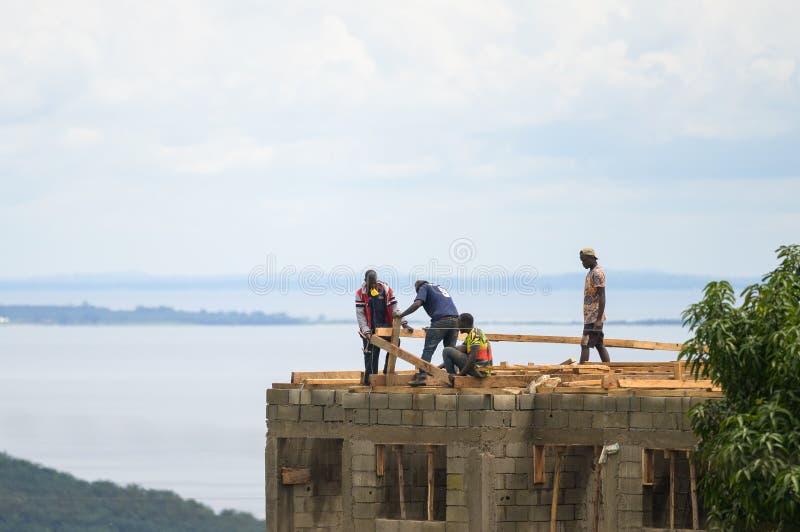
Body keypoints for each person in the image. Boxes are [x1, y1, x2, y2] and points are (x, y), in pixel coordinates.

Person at [394, 280, 459, 386]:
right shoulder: (438, 287)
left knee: (428, 349)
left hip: (440, 321)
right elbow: (444, 308)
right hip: (456, 320)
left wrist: (401, 315)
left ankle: (422, 377)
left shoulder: (423, 287)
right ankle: (453, 379)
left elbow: (417, 304)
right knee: (451, 351)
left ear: (417, 289)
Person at [355, 270, 398, 385]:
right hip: (369, 329)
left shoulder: (385, 290)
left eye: (374, 283)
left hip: (384, 327)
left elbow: (395, 308)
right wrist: (367, 332)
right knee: (372, 355)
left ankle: (386, 370)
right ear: (365, 281)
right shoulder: (360, 293)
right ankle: (369, 381)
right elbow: (360, 316)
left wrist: (403, 322)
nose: (373, 286)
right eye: (370, 283)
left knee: (396, 343)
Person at [442, 313, 493, 386]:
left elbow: (473, 357)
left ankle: (452, 381)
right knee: (453, 349)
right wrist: (438, 367)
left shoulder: (475, 334)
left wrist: (460, 375)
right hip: (480, 369)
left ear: (464, 323)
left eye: (459, 323)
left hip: (480, 370)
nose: (458, 326)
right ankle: (454, 377)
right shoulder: (471, 335)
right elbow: (457, 351)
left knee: (447, 350)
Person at [579, 248, 611, 363]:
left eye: (584, 260)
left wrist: (598, 319)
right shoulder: (591, 272)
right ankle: (608, 368)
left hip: (594, 317)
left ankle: (580, 371)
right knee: (598, 344)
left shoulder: (597, 273)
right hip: (590, 316)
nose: (582, 263)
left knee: (585, 344)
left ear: (592, 258)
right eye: (581, 261)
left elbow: (602, 296)